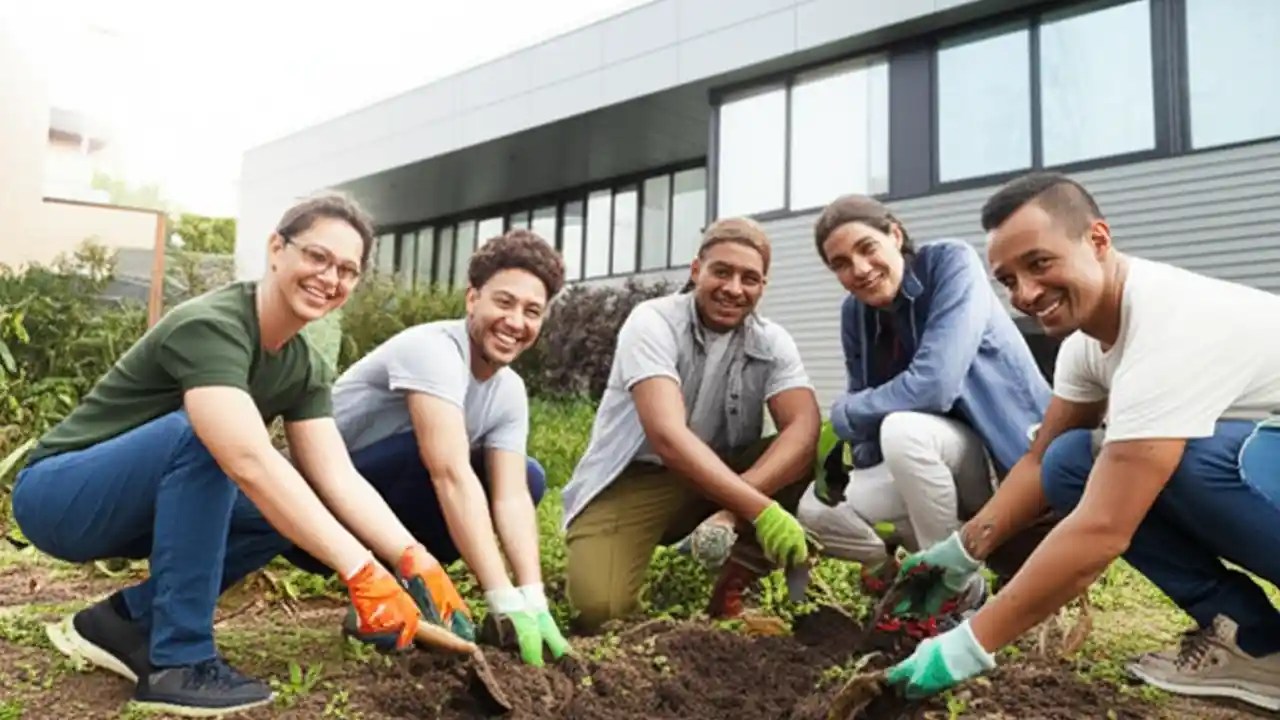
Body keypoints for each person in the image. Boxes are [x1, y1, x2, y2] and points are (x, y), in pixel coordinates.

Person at [12, 193, 461, 717]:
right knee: (214, 439)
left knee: (287, 507)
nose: (329, 277)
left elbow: (336, 476)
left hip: (144, 503)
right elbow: (245, 456)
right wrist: (360, 571)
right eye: (317, 257)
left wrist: (413, 558)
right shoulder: (213, 324)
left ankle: (127, 622)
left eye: (347, 269)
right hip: (60, 496)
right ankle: (178, 662)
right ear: (276, 248)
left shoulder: (304, 367)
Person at [884, 171, 1280, 712]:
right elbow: (1044, 457)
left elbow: (1103, 529)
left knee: (1177, 460)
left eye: (1039, 263)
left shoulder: (1169, 323)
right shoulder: (1086, 346)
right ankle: (1259, 644)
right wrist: (962, 551)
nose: (1024, 293)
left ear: (1097, 240)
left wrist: (965, 646)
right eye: (1007, 280)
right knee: (1073, 461)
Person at [282, 229, 571, 667]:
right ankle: (394, 588)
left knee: (527, 475)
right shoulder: (433, 350)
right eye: (504, 302)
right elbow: (448, 473)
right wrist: (498, 595)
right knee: (439, 457)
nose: (516, 322)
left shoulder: (509, 391)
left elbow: (512, 496)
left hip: (384, 515)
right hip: (306, 512)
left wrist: (531, 597)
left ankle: (386, 605)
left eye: (532, 311)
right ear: (473, 298)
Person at [796, 194, 1051, 626]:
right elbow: (866, 433)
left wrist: (845, 414)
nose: (858, 269)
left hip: (1010, 463)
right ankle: (907, 574)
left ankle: (948, 586)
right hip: (931, 461)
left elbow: (934, 386)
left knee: (903, 430)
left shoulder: (951, 264)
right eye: (840, 263)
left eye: (866, 248)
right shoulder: (854, 315)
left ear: (895, 235)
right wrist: (859, 465)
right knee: (816, 512)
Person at [560, 217, 821, 633]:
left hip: (720, 476)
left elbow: (804, 428)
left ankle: (731, 589)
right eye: (722, 272)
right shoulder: (653, 322)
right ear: (696, 270)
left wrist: (733, 513)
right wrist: (762, 510)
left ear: (763, 286)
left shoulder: (771, 340)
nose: (734, 288)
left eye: (749, 278)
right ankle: (670, 548)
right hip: (636, 480)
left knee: (822, 451)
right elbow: (668, 436)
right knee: (599, 610)